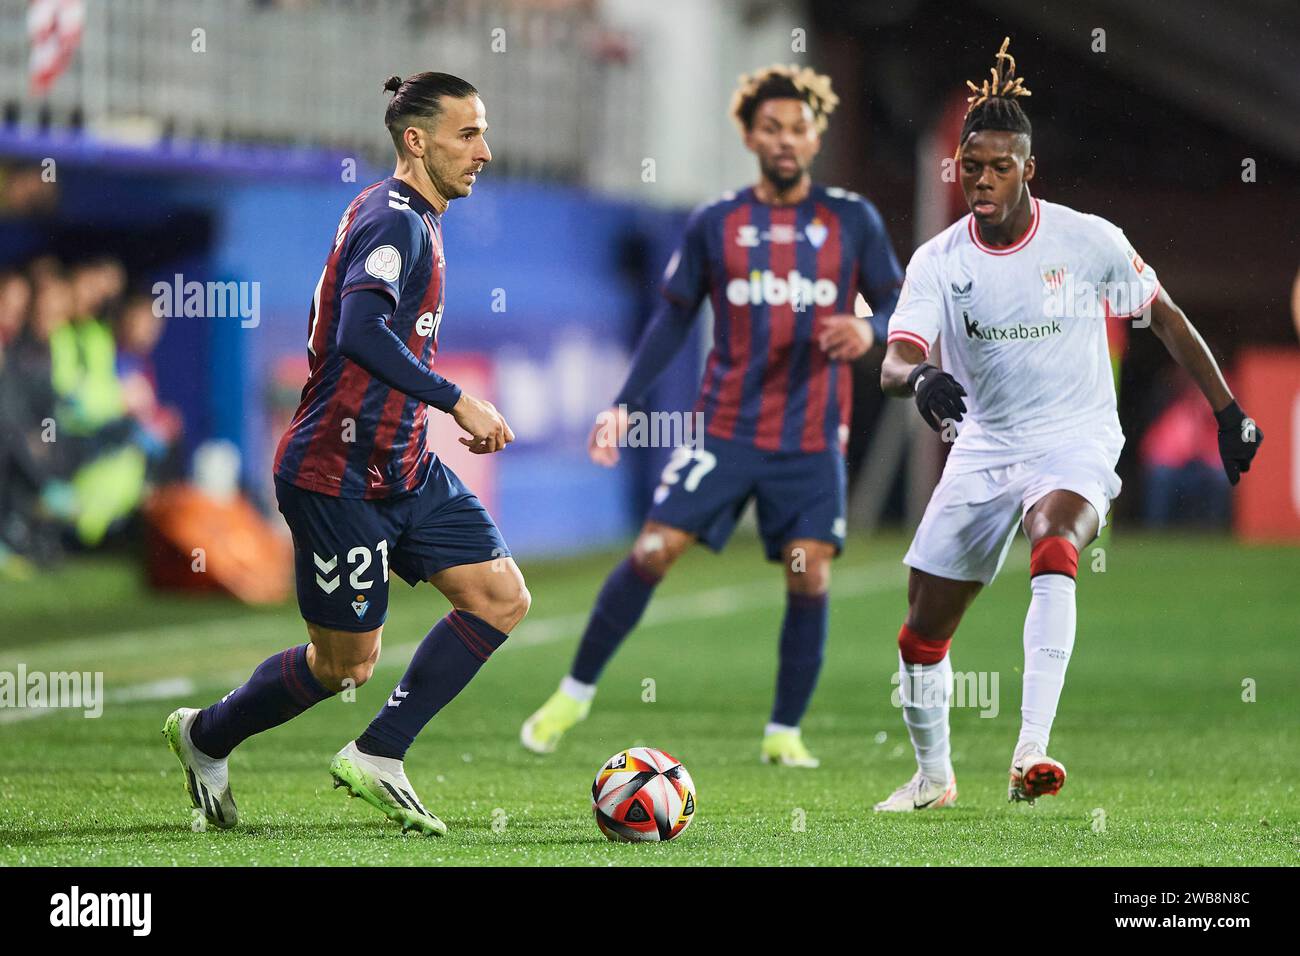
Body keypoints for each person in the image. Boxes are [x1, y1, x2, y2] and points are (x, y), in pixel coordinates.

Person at [873, 39, 1263, 812]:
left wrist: (1230, 411)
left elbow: (1166, 317)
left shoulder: (1088, 240)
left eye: (998, 166)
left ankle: (1030, 751)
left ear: (1028, 170)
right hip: (983, 444)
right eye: (970, 165)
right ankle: (931, 778)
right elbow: (892, 360)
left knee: (1056, 541)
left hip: (1075, 437)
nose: (980, 180)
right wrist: (920, 376)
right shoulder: (938, 261)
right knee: (921, 635)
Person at [164, 72, 528, 836]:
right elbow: (361, 333)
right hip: (338, 475)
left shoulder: (413, 216)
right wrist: (457, 398)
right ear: (416, 141)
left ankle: (381, 753)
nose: (485, 151)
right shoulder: (393, 220)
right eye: (468, 134)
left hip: (401, 464)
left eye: (484, 131)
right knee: (344, 666)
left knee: (499, 597)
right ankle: (204, 736)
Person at [520, 65, 904, 767]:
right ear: (749, 134)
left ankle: (784, 732)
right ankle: (573, 693)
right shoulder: (717, 222)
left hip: (810, 438)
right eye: (771, 127)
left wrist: (870, 331)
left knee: (807, 572)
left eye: (798, 127)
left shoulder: (852, 219)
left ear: (816, 135)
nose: (785, 140)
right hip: (724, 429)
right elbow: (671, 320)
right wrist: (624, 407)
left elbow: (901, 301)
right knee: (652, 550)